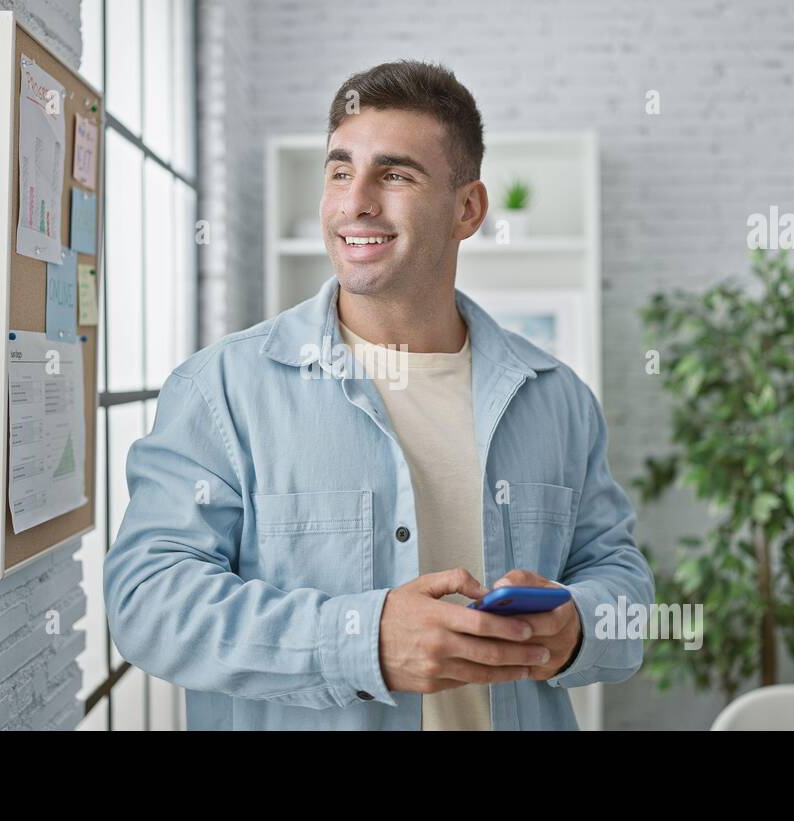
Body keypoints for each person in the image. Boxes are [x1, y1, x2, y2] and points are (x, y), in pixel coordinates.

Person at [104, 59, 654, 730]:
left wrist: (575, 628)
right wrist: (361, 642)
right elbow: (148, 603)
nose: (355, 201)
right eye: (339, 171)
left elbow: (624, 587)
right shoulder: (222, 390)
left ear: (468, 209)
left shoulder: (557, 399)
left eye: (394, 174)